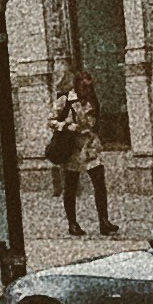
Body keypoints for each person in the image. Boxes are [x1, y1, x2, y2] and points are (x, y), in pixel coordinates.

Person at [44, 69, 110, 235]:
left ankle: (104, 221)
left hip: (89, 146)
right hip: (72, 147)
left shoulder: (92, 100)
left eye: (89, 86)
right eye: (84, 86)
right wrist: (66, 126)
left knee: (99, 182)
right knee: (71, 185)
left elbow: (95, 121)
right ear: (77, 85)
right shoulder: (65, 100)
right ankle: (72, 224)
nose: (87, 90)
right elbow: (51, 121)